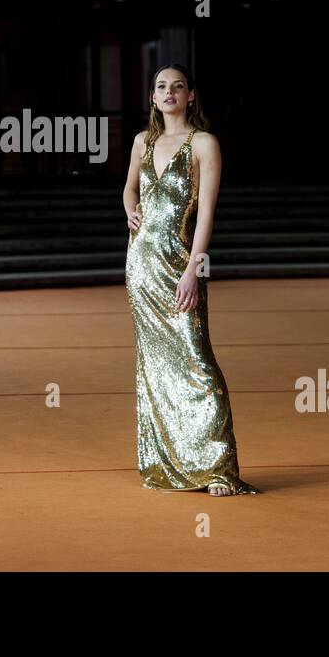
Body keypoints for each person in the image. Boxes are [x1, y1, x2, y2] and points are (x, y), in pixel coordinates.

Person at [123, 63, 257, 496]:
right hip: (140, 266)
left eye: (178, 86)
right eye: (161, 86)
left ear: (191, 96)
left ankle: (216, 466)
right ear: (152, 97)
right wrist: (129, 207)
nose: (169, 92)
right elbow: (129, 189)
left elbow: (205, 214)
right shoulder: (143, 141)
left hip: (179, 262)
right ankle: (168, 463)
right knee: (155, 366)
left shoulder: (204, 144)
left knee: (197, 362)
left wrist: (193, 271)